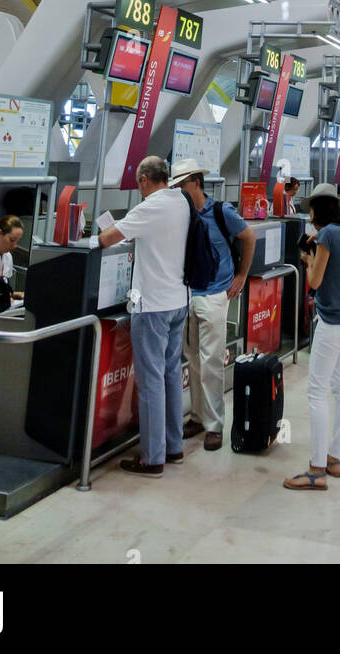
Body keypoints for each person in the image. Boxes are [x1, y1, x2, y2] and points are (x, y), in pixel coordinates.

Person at [94, 155, 190, 477]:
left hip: (152, 305)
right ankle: (173, 447)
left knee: (150, 382)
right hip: (178, 300)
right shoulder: (180, 201)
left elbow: (108, 238)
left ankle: (152, 458)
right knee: (171, 375)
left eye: (139, 183)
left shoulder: (151, 206)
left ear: (145, 180)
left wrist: (97, 234)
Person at [173, 158, 256, 452]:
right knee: (193, 359)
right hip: (186, 294)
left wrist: (242, 275)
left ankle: (214, 425)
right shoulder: (180, 213)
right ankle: (197, 416)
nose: (179, 190)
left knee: (210, 361)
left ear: (195, 181)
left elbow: (249, 237)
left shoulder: (221, 211)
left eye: (181, 184)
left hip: (214, 294)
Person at [284, 185, 340, 492]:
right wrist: (318, 244)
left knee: (316, 393)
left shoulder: (327, 235)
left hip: (331, 326)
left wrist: (307, 259)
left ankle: (316, 470)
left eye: (312, 209)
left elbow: (314, 281)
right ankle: (334, 458)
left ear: (319, 209)